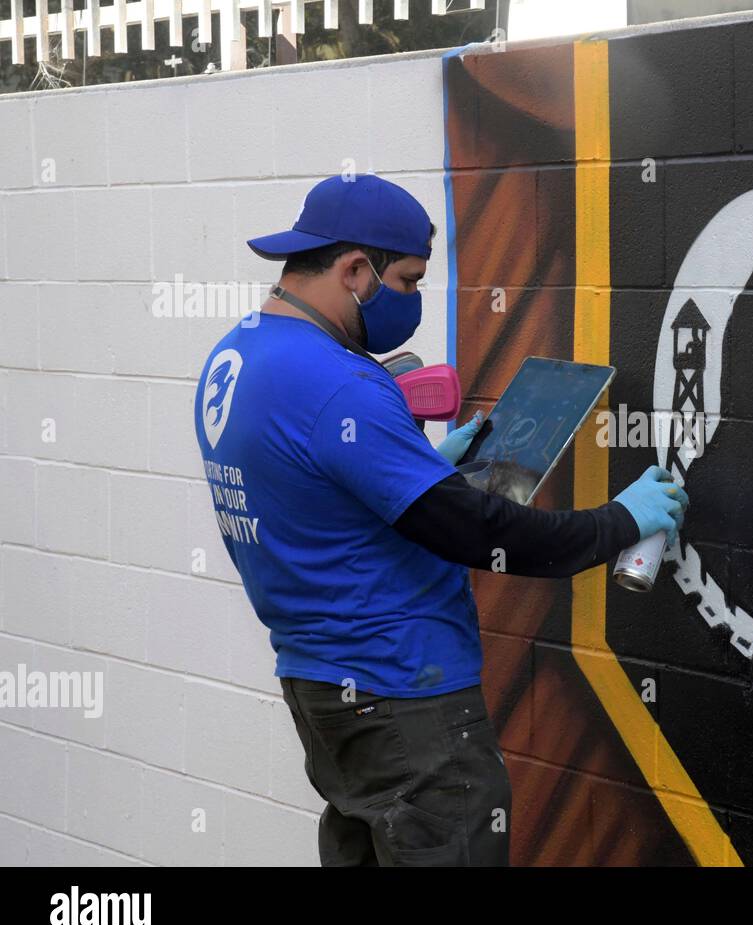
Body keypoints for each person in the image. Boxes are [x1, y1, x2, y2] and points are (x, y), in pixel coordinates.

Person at [193, 174, 687, 866]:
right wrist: (619, 521)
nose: (414, 301)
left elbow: (312, 490)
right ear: (355, 270)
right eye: (408, 280)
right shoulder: (342, 383)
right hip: (404, 699)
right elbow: (488, 535)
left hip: (322, 693)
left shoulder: (237, 357)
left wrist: (419, 469)